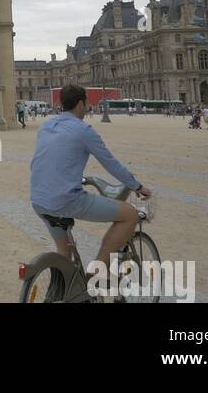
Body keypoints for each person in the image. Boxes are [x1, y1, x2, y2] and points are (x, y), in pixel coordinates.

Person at [30, 84, 152, 275]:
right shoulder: (83, 130)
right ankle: (95, 274)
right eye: (86, 104)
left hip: (38, 199)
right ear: (80, 104)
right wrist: (137, 186)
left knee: (64, 252)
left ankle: (64, 291)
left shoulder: (46, 126)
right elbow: (111, 164)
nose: (86, 108)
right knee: (130, 215)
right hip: (66, 200)